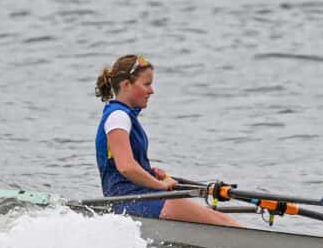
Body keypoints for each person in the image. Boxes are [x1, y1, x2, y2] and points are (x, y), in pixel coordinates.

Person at [94, 55, 241, 225]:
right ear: (126, 85)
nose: (152, 91)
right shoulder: (118, 117)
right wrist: (160, 185)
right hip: (132, 200)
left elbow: (125, 165)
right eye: (146, 84)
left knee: (213, 217)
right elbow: (126, 167)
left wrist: (149, 172)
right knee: (222, 221)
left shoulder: (119, 115)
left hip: (133, 198)